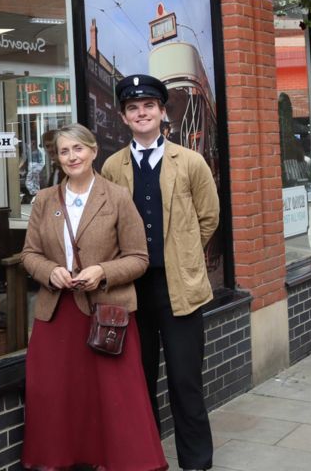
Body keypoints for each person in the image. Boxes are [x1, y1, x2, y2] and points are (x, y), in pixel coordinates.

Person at [20, 123, 166, 470]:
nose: (72, 157)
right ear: (57, 158)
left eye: (78, 149)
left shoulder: (117, 197)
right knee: (56, 392)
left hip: (106, 313)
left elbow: (139, 258)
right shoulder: (45, 200)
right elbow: (29, 254)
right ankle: (60, 457)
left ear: (93, 151)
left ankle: (116, 461)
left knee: (113, 395)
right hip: (57, 312)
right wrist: (49, 272)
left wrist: (102, 271)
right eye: (64, 151)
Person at [101, 74, 220, 471]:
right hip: (133, 290)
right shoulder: (112, 167)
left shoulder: (190, 162)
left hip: (180, 288)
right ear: (124, 117)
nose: (141, 113)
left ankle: (196, 462)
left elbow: (209, 217)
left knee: (186, 381)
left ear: (162, 112)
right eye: (133, 108)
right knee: (139, 382)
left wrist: (183, 253)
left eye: (148, 106)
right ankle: (147, 460)